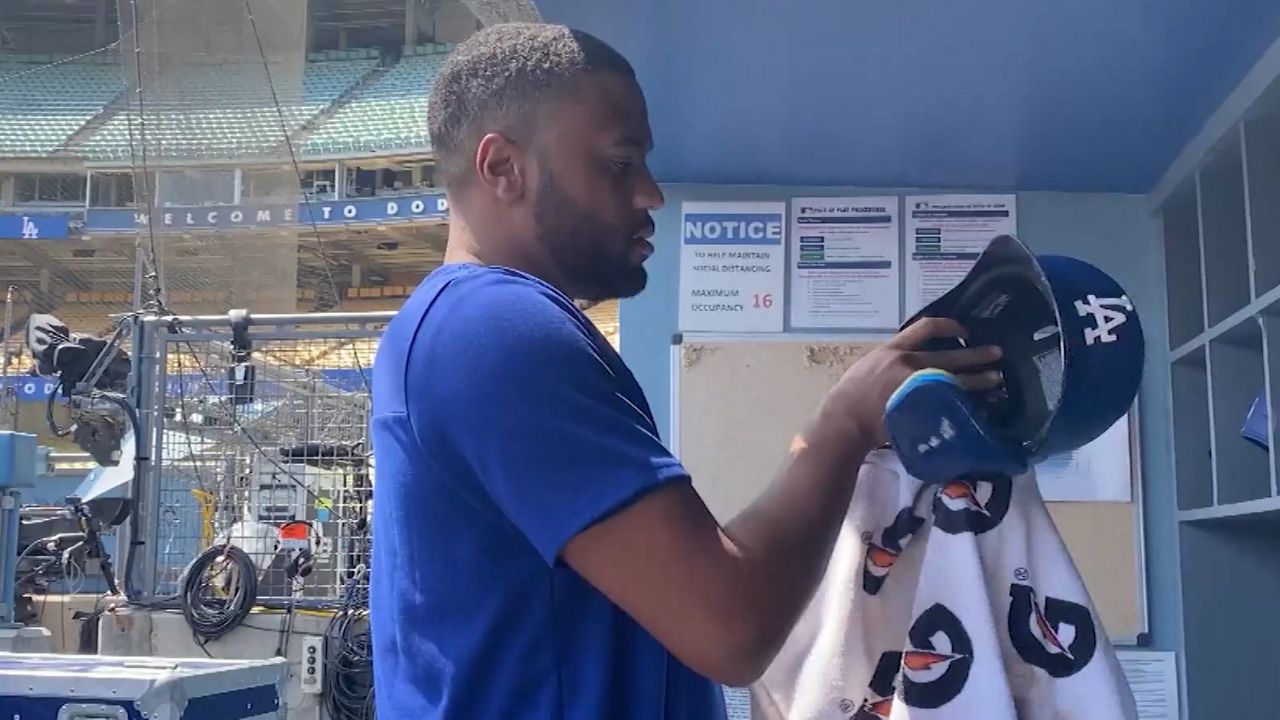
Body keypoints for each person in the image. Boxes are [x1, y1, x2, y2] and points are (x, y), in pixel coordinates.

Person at [369, 22, 1003, 719]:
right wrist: (847, 422)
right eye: (619, 163)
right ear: (502, 168)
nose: (650, 193)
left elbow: (690, 582)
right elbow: (730, 626)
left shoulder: (459, 328)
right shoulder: (493, 329)